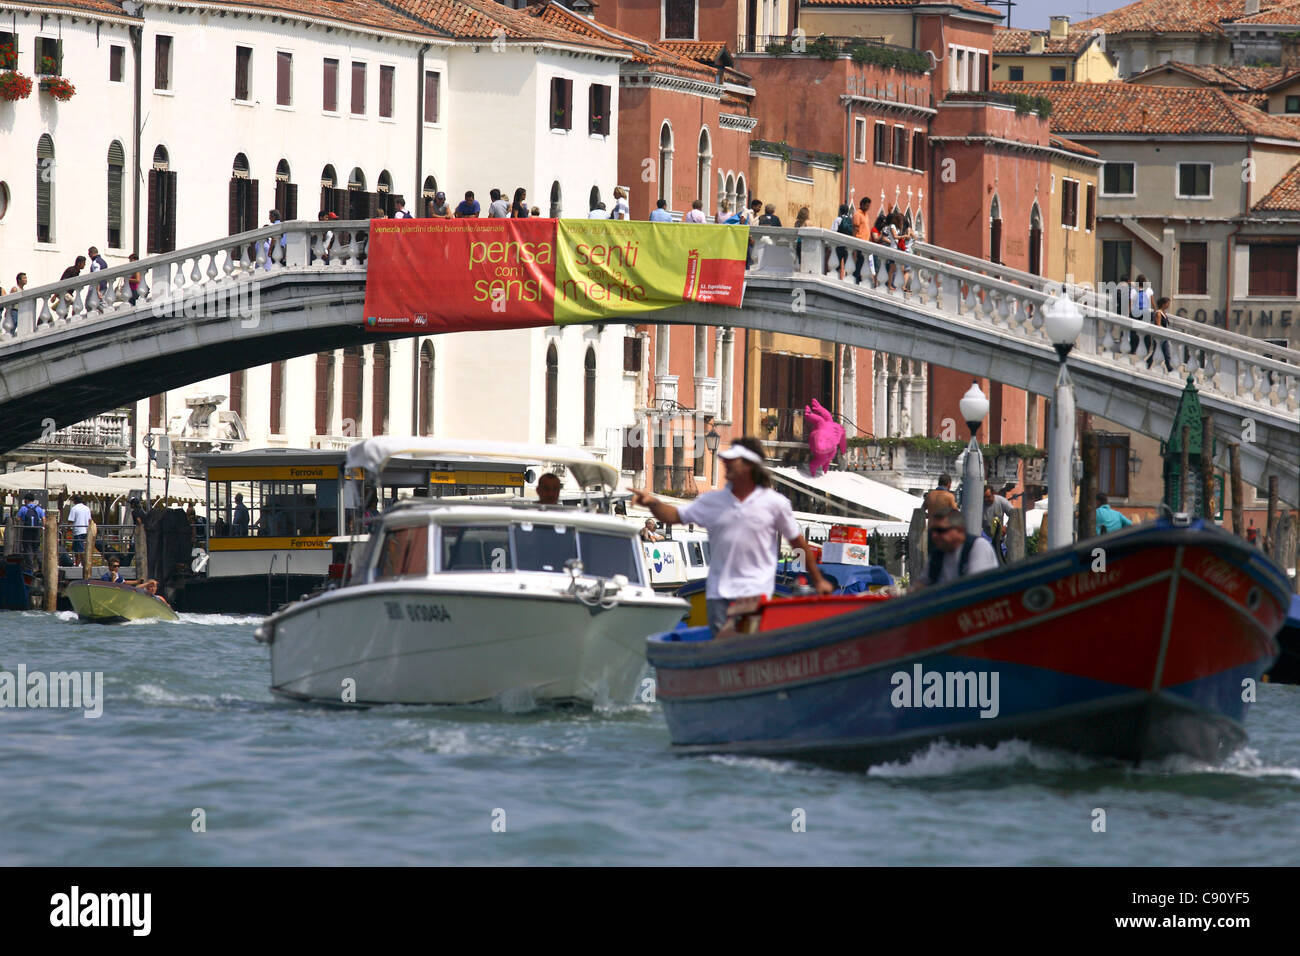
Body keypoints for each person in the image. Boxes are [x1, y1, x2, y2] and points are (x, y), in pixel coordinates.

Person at [632, 437, 833, 635]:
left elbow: (798, 542)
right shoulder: (712, 501)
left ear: (749, 466)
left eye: (732, 461)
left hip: (756, 592)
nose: (725, 464)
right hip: (719, 593)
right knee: (724, 644)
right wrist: (652, 503)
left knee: (747, 645)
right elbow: (675, 516)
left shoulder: (775, 503)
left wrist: (818, 581)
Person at [915, 507, 998, 590]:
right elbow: (922, 583)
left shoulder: (978, 546)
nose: (934, 536)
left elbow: (974, 585)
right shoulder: (936, 555)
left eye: (940, 530)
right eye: (932, 531)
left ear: (960, 530)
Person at [16, 493, 45, 566]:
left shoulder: (23, 508)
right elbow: (44, 520)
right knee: (36, 548)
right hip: (36, 530)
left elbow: (17, 519)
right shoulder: (39, 509)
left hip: (27, 530)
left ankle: (30, 566)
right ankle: (41, 564)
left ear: (27, 500)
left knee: (27, 548)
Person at [1147, 296, 1174, 372]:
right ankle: (1169, 368)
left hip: (1164, 336)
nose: (1168, 305)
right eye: (1167, 303)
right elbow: (1158, 325)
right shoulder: (1159, 313)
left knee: (1156, 351)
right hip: (1160, 337)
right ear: (1163, 304)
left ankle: (1147, 364)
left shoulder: (1164, 313)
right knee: (1166, 353)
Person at [852, 197, 872, 284]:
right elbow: (855, 228)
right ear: (862, 204)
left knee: (863, 261)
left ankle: (859, 277)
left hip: (865, 242)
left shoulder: (866, 215)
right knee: (859, 260)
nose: (868, 208)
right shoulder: (857, 214)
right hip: (859, 240)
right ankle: (856, 278)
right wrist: (854, 241)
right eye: (866, 206)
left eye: (869, 206)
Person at [68, 495, 92, 567]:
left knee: (79, 550)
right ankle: (78, 564)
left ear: (75, 500)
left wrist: (68, 529)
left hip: (78, 531)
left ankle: (83, 565)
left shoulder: (74, 508)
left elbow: (70, 520)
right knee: (79, 549)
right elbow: (90, 520)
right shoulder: (87, 508)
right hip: (86, 530)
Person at [831, 203, 853, 279]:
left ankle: (837, 279)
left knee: (837, 265)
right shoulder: (850, 220)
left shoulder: (838, 219)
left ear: (840, 211)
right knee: (847, 264)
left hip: (839, 245)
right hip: (848, 246)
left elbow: (833, 231)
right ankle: (846, 279)